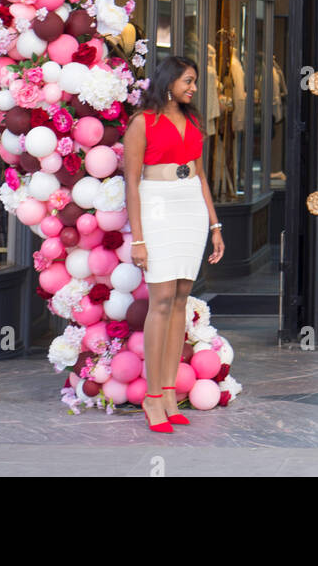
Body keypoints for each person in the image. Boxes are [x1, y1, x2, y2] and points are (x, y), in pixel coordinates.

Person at [122, 56, 224, 434]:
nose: (193, 88)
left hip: (190, 209)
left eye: (194, 81)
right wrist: (140, 238)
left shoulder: (193, 120)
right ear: (168, 83)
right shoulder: (141, 123)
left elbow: (201, 177)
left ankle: (168, 393)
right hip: (157, 206)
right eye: (188, 81)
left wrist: (214, 224)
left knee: (181, 299)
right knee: (161, 301)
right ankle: (151, 397)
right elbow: (131, 183)